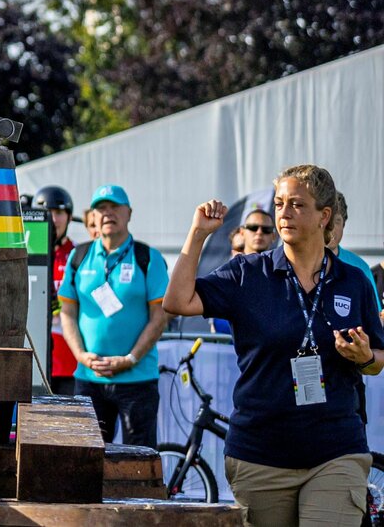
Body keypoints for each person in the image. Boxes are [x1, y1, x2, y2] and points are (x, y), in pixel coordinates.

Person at [164, 165, 384, 527]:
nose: (284, 213)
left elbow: (378, 360)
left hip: (337, 451)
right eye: (280, 203)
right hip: (260, 454)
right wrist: (198, 234)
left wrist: (364, 357)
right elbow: (176, 301)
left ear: (324, 216)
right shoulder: (247, 273)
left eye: (297, 204)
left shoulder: (353, 280)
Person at [56, 184, 168, 447]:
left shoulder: (147, 257)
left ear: (129, 213)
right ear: (92, 217)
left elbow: (160, 317)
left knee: (139, 459)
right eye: (101, 208)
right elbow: (67, 312)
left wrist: (130, 358)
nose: (108, 213)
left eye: (115, 207)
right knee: (86, 458)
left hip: (137, 379)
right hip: (89, 378)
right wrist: (81, 355)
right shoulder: (79, 256)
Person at [34, 185, 79, 396]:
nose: (53, 219)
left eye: (59, 212)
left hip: (70, 362)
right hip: (35, 359)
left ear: (69, 217)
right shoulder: (25, 252)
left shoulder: (79, 254)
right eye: (47, 212)